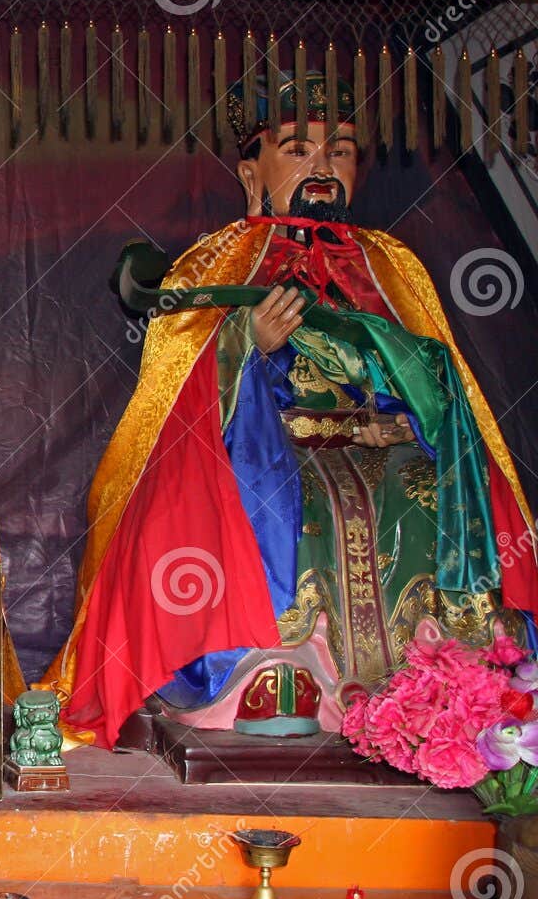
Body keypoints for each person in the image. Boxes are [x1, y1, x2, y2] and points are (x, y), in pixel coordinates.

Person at [43, 72, 538, 748]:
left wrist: (398, 358)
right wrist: (248, 344)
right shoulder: (217, 261)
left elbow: (440, 376)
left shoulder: (392, 263)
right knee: (275, 496)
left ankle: (445, 679)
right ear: (252, 174)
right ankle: (269, 660)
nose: (322, 168)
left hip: (386, 447)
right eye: (299, 150)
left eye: (339, 151)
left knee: (433, 493)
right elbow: (177, 388)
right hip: (269, 445)